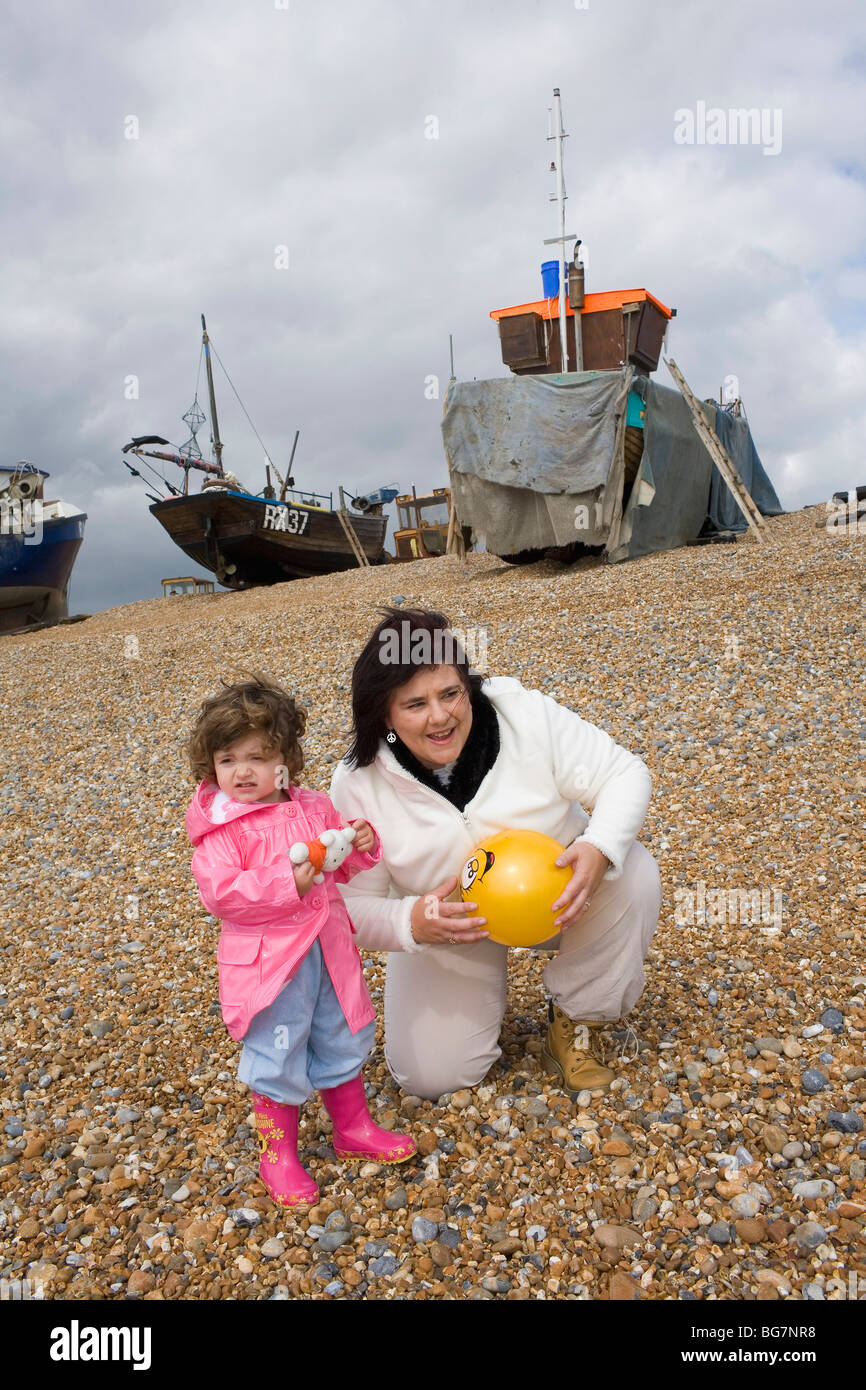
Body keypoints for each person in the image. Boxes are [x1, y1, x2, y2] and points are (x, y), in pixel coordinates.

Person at [330, 608, 662, 1102]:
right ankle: (476, 999)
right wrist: (412, 923)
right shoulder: (358, 783)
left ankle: (577, 1021)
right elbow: (348, 908)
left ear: (468, 685)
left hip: (558, 896)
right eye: (415, 704)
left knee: (631, 871)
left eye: (450, 693)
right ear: (385, 714)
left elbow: (624, 773)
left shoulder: (523, 713)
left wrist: (597, 846)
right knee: (432, 1079)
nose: (440, 716)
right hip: (450, 928)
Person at [185, 672, 416, 1208]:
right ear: (211, 765)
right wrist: (290, 881)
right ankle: (277, 1152)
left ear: (286, 758)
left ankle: (352, 1127)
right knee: (278, 1046)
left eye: (259, 757)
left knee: (341, 1031)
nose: (242, 772)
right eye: (227, 760)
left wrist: (357, 842)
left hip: (328, 948)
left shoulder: (313, 807)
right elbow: (223, 893)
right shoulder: (222, 829)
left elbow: (343, 868)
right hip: (272, 963)